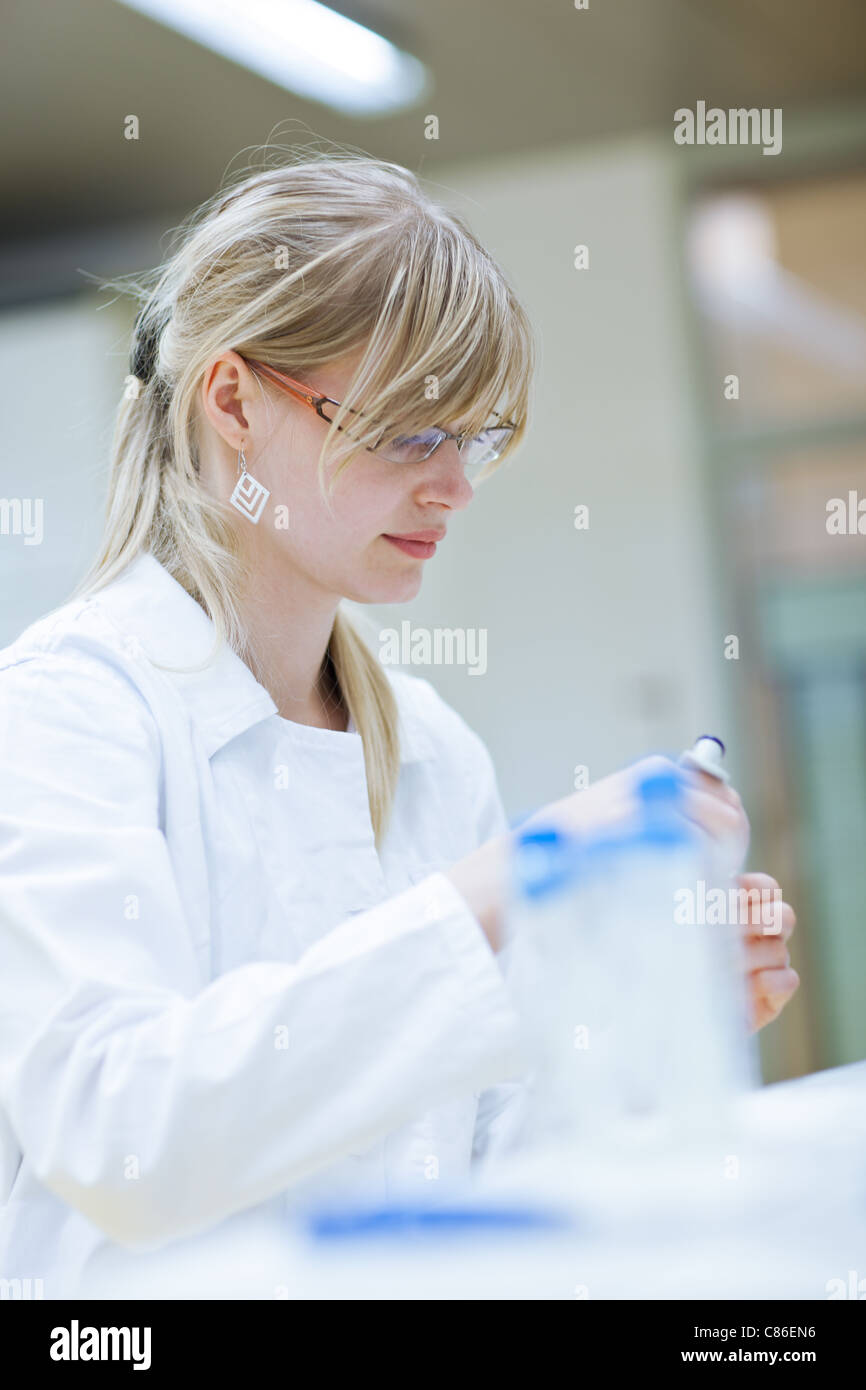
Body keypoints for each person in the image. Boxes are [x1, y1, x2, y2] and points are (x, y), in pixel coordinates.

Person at [0, 152, 798, 1297]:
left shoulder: (427, 751)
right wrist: (506, 884)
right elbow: (123, 1138)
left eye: (469, 438)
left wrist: (660, 1011)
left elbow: (483, 1170)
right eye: (407, 433)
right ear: (234, 401)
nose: (454, 488)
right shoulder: (66, 714)